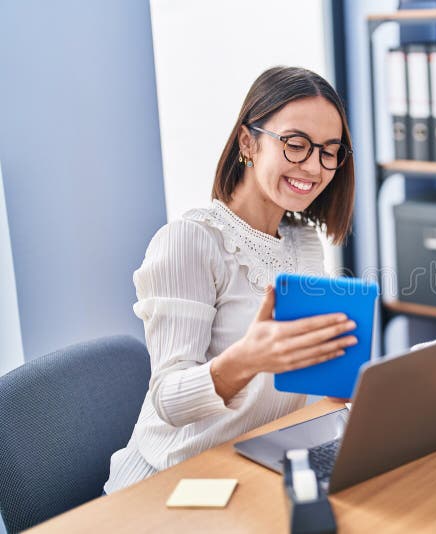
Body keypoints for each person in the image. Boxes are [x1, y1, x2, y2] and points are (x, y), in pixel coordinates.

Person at [105, 66, 359, 493]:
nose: (314, 167)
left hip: (253, 466)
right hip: (173, 481)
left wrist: (345, 380)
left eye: (329, 151)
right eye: (296, 145)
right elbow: (167, 399)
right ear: (248, 142)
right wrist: (248, 359)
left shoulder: (303, 243)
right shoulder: (190, 240)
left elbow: (295, 385)